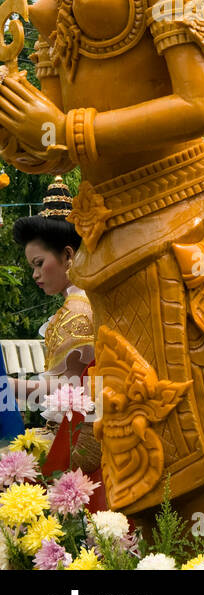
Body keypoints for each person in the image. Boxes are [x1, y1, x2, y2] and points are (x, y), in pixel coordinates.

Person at [7, 178, 102, 476]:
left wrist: (8, 387)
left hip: (77, 443)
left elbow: (68, 390)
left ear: (68, 255)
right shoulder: (80, 304)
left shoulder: (77, 311)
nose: (35, 274)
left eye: (38, 263)